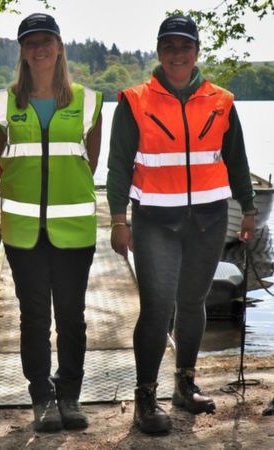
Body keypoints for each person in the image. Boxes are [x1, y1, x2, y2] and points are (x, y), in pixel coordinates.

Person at [107, 15, 257, 435]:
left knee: (193, 303)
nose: (177, 53)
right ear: (158, 50)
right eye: (169, 46)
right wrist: (119, 219)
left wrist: (248, 208)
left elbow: (237, 160)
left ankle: (185, 384)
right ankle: (145, 397)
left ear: (196, 51)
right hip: (155, 220)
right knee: (157, 308)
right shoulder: (134, 100)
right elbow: (118, 166)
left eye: (184, 46)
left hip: (209, 220)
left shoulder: (221, 100)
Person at [0, 13, 102, 433]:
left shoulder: (89, 101)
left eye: (46, 41)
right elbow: (4, 166)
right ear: (22, 50)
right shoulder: (1, 103)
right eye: (30, 42)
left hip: (74, 229)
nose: (39, 49)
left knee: (72, 316)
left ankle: (69, 394)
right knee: (34, 316)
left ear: (59, 46)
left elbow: (91, 162)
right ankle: (42, 397)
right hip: (22, 230)